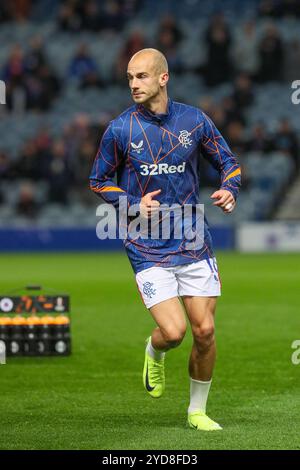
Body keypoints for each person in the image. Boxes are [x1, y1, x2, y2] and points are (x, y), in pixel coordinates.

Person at [90, 48, 241, 431]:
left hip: (193, 241)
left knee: (205, 332)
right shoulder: (120, 129)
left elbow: (228, 161)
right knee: (174, 333)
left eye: (141, 76)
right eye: (129, 78)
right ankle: (154, 351)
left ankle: (197, 411)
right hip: (146, 244)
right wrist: (131, 203)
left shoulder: (194, 120)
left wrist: (230, 187)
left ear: (163, 77)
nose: (133, 84)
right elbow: (98, 180)